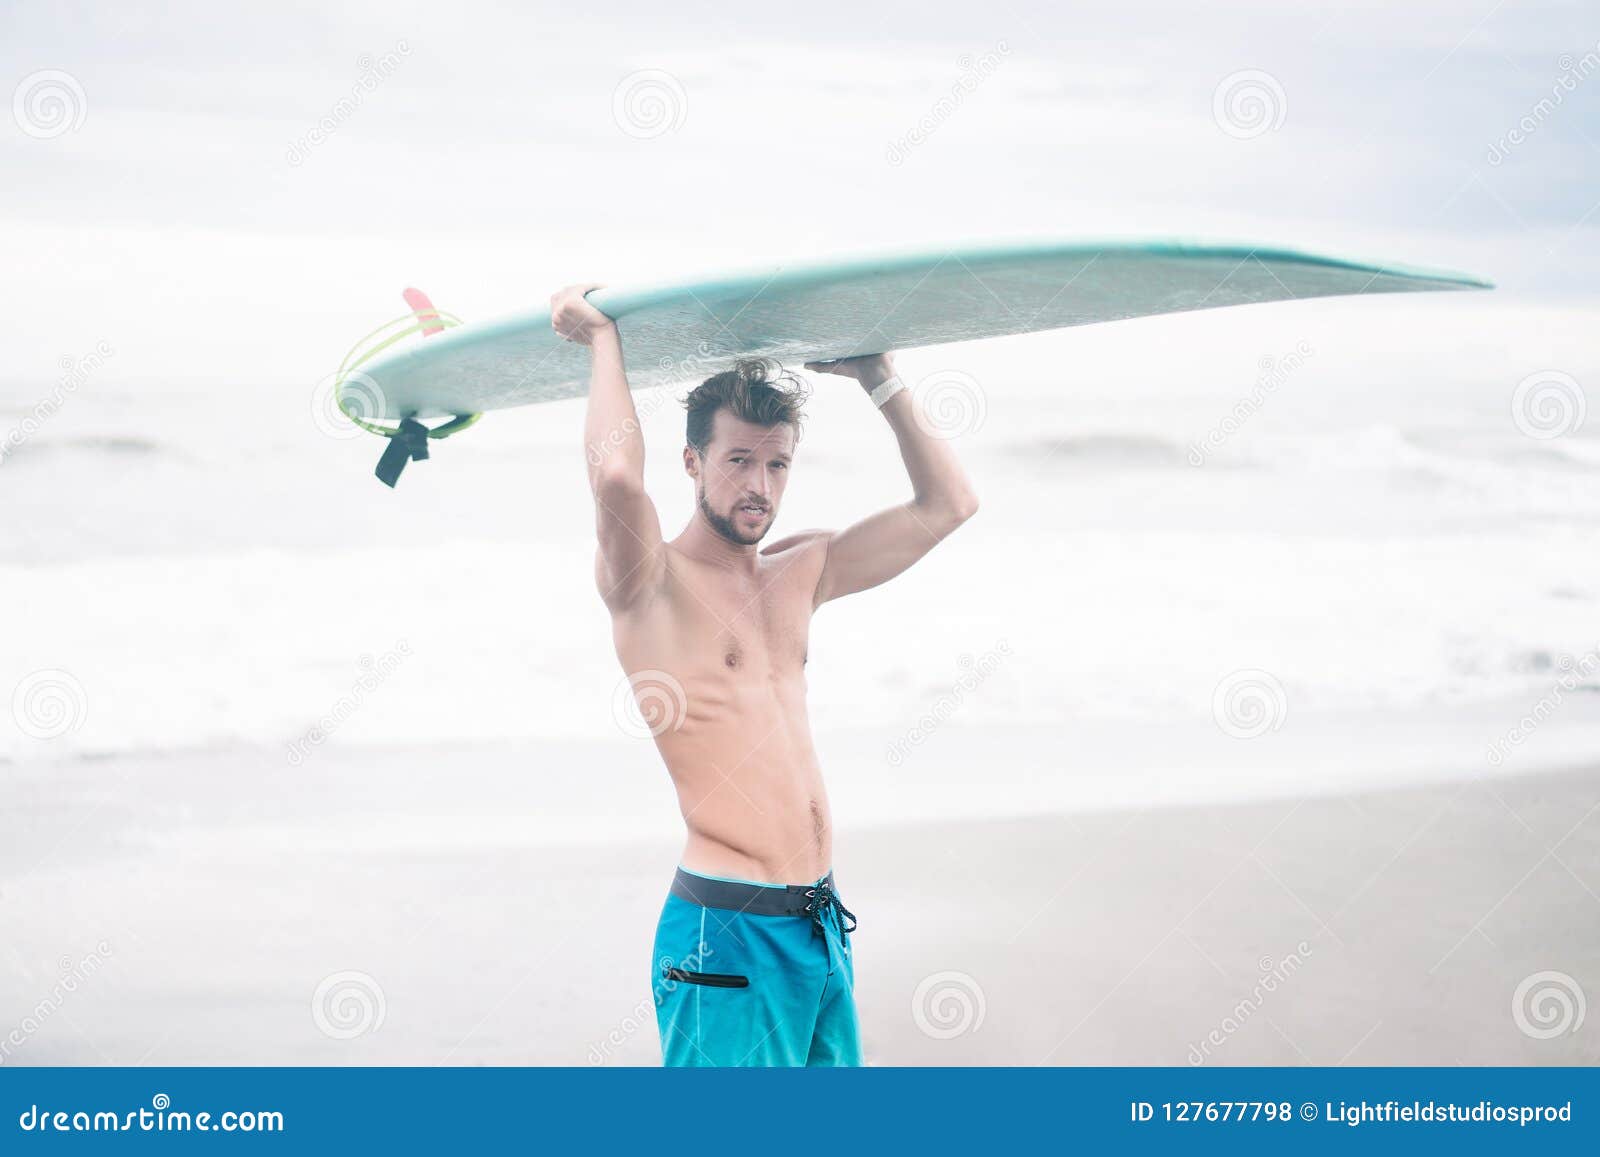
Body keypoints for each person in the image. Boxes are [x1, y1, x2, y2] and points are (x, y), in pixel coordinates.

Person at [550, 283, 979, 1066]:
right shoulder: (649, 585)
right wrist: (601, 341)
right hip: (726, 939)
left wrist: (878, 375)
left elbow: (949, 503)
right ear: (692, 460)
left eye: (776, 463)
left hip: (818, 923)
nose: (760, 484)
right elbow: (615, 480)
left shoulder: (801, 570)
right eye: (738, 459)